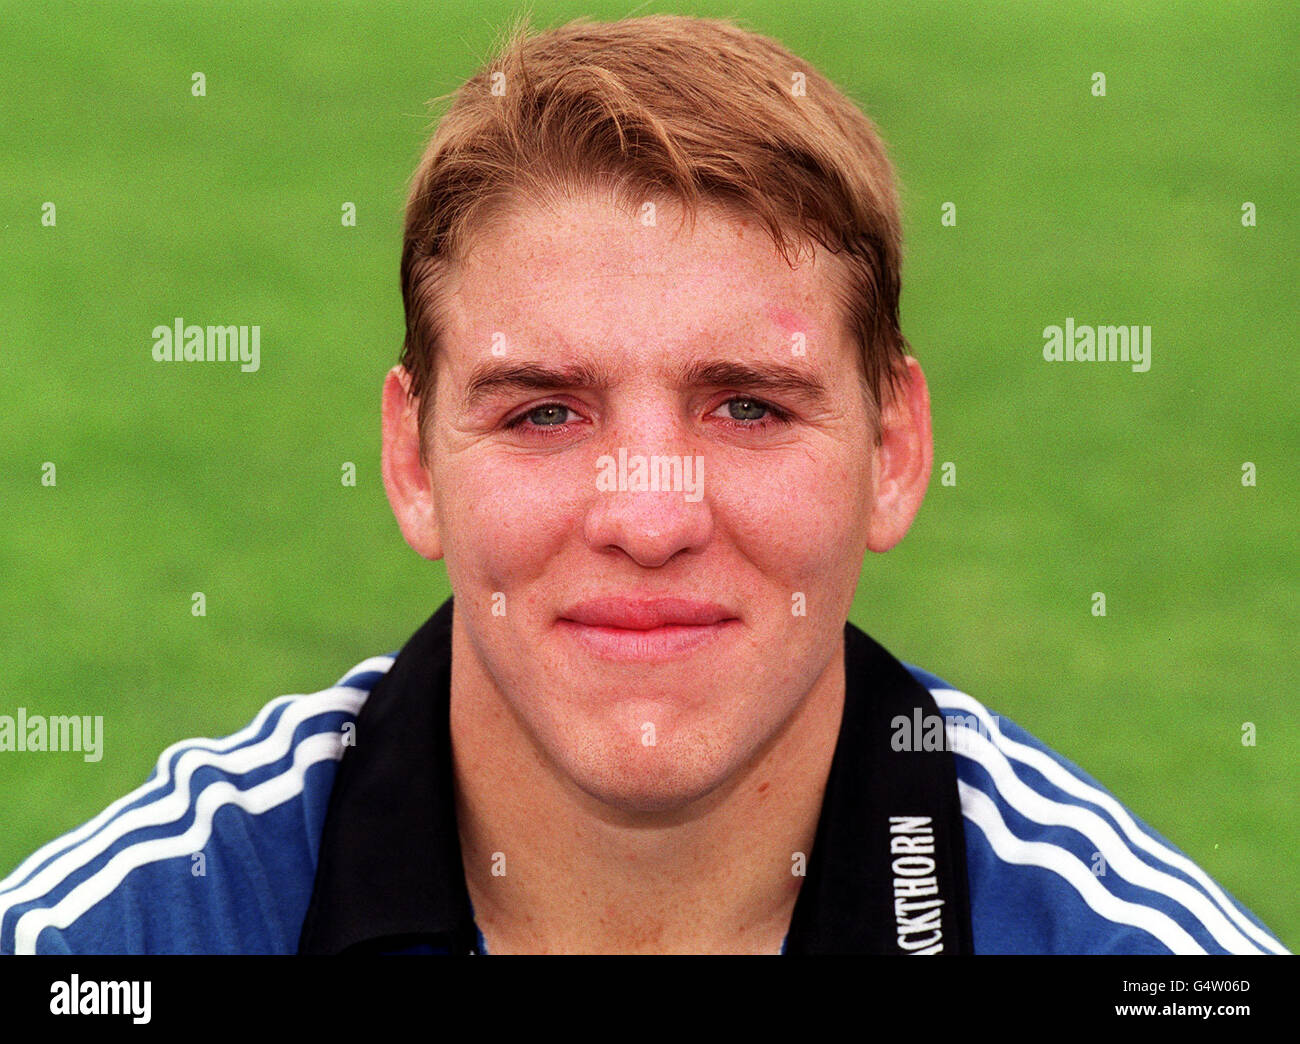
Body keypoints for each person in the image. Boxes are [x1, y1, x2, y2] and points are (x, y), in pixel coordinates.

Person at [0, 14, 1285, 956]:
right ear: (411, 461)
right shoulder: (116, 942)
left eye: (747, 406)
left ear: (893, 450)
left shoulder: (1132, 956)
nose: (651, 515)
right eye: (546, 411)